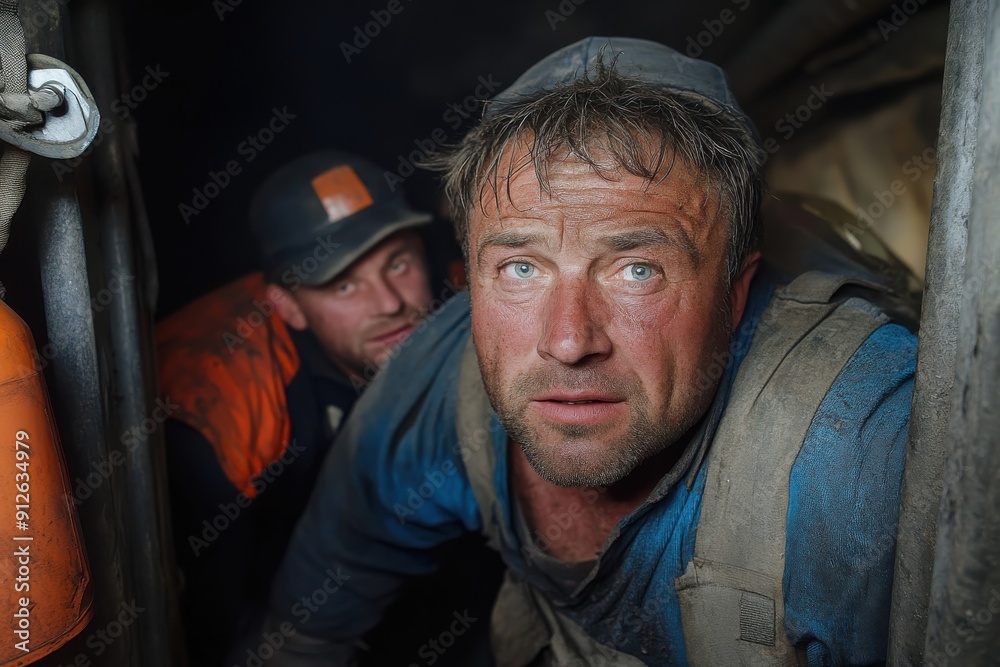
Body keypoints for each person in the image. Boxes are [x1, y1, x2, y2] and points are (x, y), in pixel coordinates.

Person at [261, 38, 917, 666]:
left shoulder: (867, 458)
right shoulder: (433, 385)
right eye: (521, 268)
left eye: (637, 270)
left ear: (736, 292)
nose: (569, 342)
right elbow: (304, 633)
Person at [156, 150, 437, 665]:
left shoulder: (478, 297)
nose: (390, 303)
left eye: (397, 263)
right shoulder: (224, 416)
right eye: (345, 284)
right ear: (289, 306)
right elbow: (205, 618)